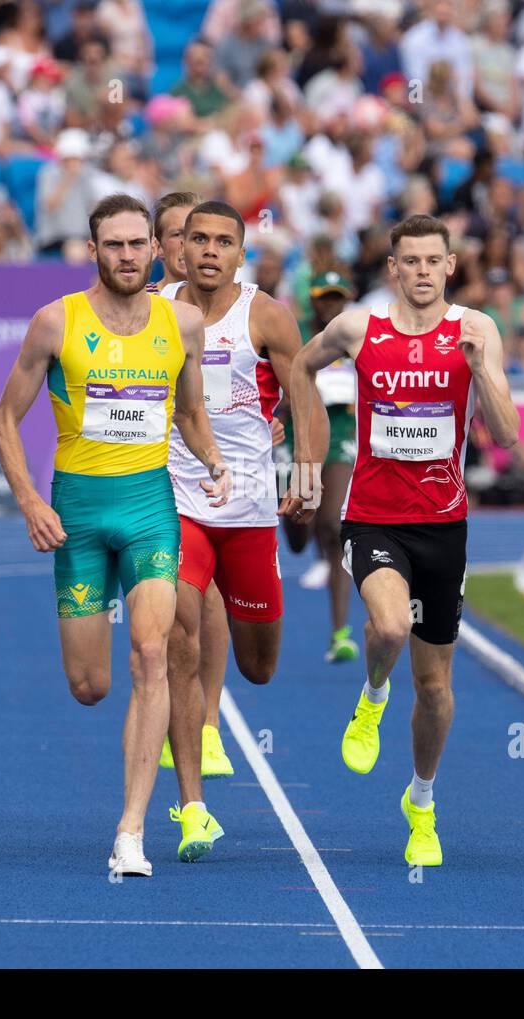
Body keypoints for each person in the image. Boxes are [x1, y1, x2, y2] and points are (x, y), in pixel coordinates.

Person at [0, 194, 231, 876]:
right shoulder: (54, 322)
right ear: (93, 250)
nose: (126, 256)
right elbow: (4, 420)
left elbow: (188, 412)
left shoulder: (182, 323)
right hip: (78, 515)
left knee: (152, 654)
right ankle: (132, 785)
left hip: (151, 506)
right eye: (112, 245)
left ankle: (132, 831)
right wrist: (30, 499)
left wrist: (213, 461)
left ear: (158, 248)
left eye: (136, 244)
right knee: (91, 683)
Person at [290, 214, 521, 867]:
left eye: (432, 260)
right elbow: (299, 371)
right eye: (409, 260)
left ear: (450, 266)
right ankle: (371, 697)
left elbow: (506, 436)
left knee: (438, 688)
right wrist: (306, 459)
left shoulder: (476, 330)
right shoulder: (357, 328)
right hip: (373, 515)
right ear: (392, 268)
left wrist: (481, 371)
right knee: (388, 628)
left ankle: (420, 802)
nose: (421, 270)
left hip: (443, 524)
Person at [159, 200, 320, 860]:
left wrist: (306, 471)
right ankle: (192, 806)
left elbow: (305, 395)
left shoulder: (267, 315)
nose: (209, 250)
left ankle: (212, 726)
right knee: (177, 630)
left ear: (240, 252)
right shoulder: (155, 310)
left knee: (259, 666)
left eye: (224, 241)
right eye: (198, 238)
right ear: (182, 246)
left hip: (250, 510)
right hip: (177, 501)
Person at [147, 190, 238, 781]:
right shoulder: (144, 305)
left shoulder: (237, 308)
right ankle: (181, 713)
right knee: (172, 610)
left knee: (206, 598)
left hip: (218, 471)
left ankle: (206, 722)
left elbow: (273, 374)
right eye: (179, 235)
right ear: (161, 246)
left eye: (200, 235)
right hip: (151, 471)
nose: (191, 247)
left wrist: (275, 412)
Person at [277, 270, 361, 662]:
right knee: (297, 535)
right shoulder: (295, 339)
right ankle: (293, 521)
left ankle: (340, 632)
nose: (331, 305)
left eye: (337, 297)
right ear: (312, 300)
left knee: (333, 526)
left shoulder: (358, 341)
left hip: (341, 430)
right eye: (324, 298)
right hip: (299, 434)